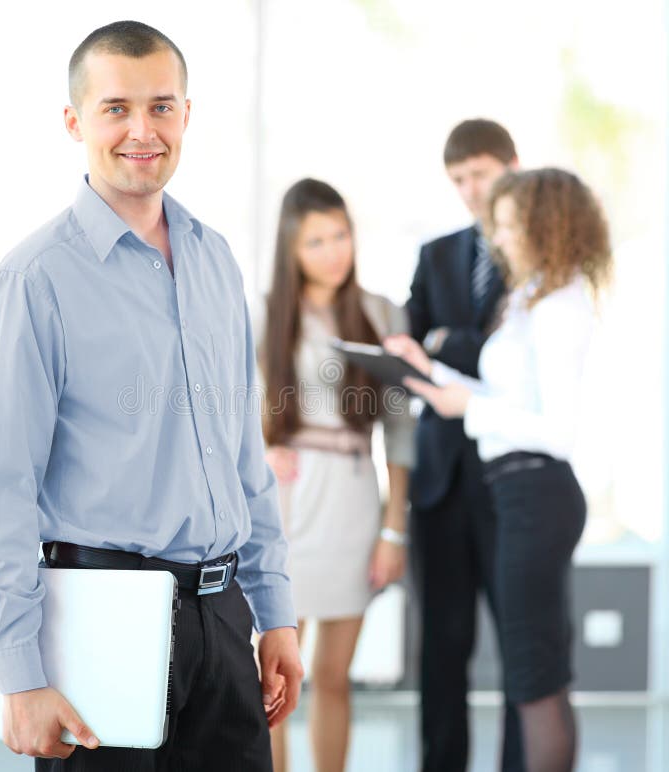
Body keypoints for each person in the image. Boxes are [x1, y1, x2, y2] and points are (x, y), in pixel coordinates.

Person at [0, 20, 302, 771]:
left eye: (161, 106)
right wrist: (19, 676)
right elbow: (2, 491)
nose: (142, 130)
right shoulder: (34, 282)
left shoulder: (215, 262)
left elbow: (246, 461)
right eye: (116, 108)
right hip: (98, 628)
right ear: (75, 121)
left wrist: (276, 615)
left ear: (185, 116)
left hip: (223, 617)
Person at [388, 167, 611, 772]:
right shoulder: (528, 298)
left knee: (536, 676)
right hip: (516, 490)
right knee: (536, 670)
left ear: (545, 225)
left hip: (538, 492)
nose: (501, 236)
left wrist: (471, 407)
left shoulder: (560, 304)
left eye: (510, 225)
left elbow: (556, 432)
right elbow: (501, 394)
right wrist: (431, 373)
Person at [255, 178, 416, 772]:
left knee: (332, 677)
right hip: (287, 504)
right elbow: (218, 407)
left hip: (353, 499)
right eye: (316, 240)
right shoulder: (268, 311)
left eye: (340, 234)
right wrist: (258, 453)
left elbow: (400, 431)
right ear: (291, 248)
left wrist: (393, 529)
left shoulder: (380, 312)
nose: (333, 251)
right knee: (271, 680)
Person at [403, 118, 523, 771]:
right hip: (441, 479)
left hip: (512, 475)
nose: (469, 190)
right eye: (458, 180)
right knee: (441, 647)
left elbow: (512, 359)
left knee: (519, 644)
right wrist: (441, 346)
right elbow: (412, 345)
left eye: (479, 173)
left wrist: (452, 343)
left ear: (511, 165)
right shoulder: (436, 254)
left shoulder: (538, 253)